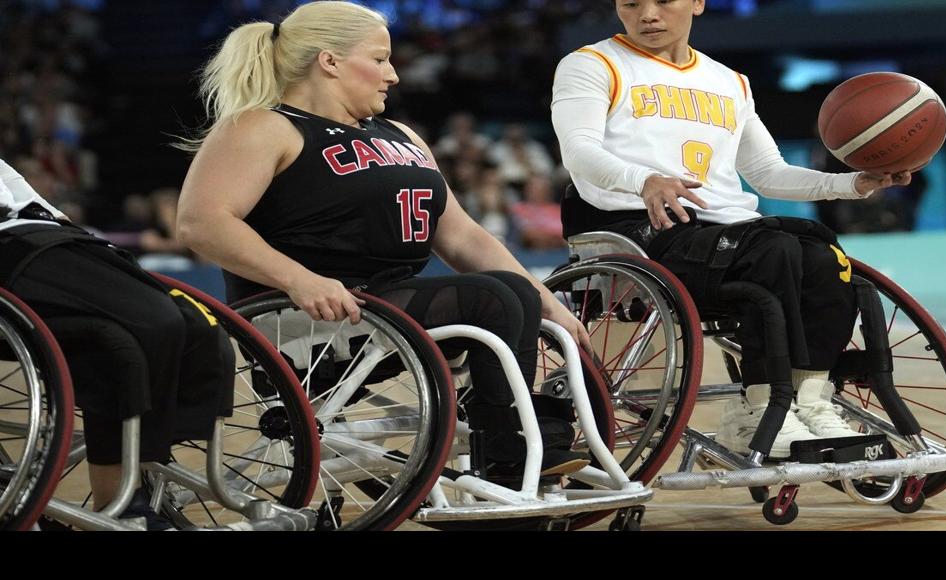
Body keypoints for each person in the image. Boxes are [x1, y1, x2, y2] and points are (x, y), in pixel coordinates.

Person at [174, 1, 592, 483]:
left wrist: (549, 304)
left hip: (383, 309)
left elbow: (463, 235)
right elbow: (202, 222)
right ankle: (508, 457)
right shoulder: (264, 125)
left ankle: (520, 440)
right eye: (379, 59)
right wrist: (300, 279)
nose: (392, 75)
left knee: (513, 292)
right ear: (329, 61)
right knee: (495, 296)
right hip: (302, 316)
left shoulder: (400, 134)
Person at [551, 0, 913, 459]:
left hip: (727, 231)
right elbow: (579, 151)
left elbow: (767, 172)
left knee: (822, 254)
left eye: (663, 1)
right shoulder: (592, 64)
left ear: (698, 3)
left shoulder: (729, 82)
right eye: (631, 3)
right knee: (773, 253)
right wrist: (644, 180)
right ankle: (757, 411)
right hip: (637, 226)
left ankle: (811, 401)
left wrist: (853, 183)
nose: (648, 14)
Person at [2, 156, 233, 529]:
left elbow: (33, 199)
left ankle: (146, 468)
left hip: (53, 236)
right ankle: (121, 502)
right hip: (14, 248)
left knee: (198, 326)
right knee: (136, 330)